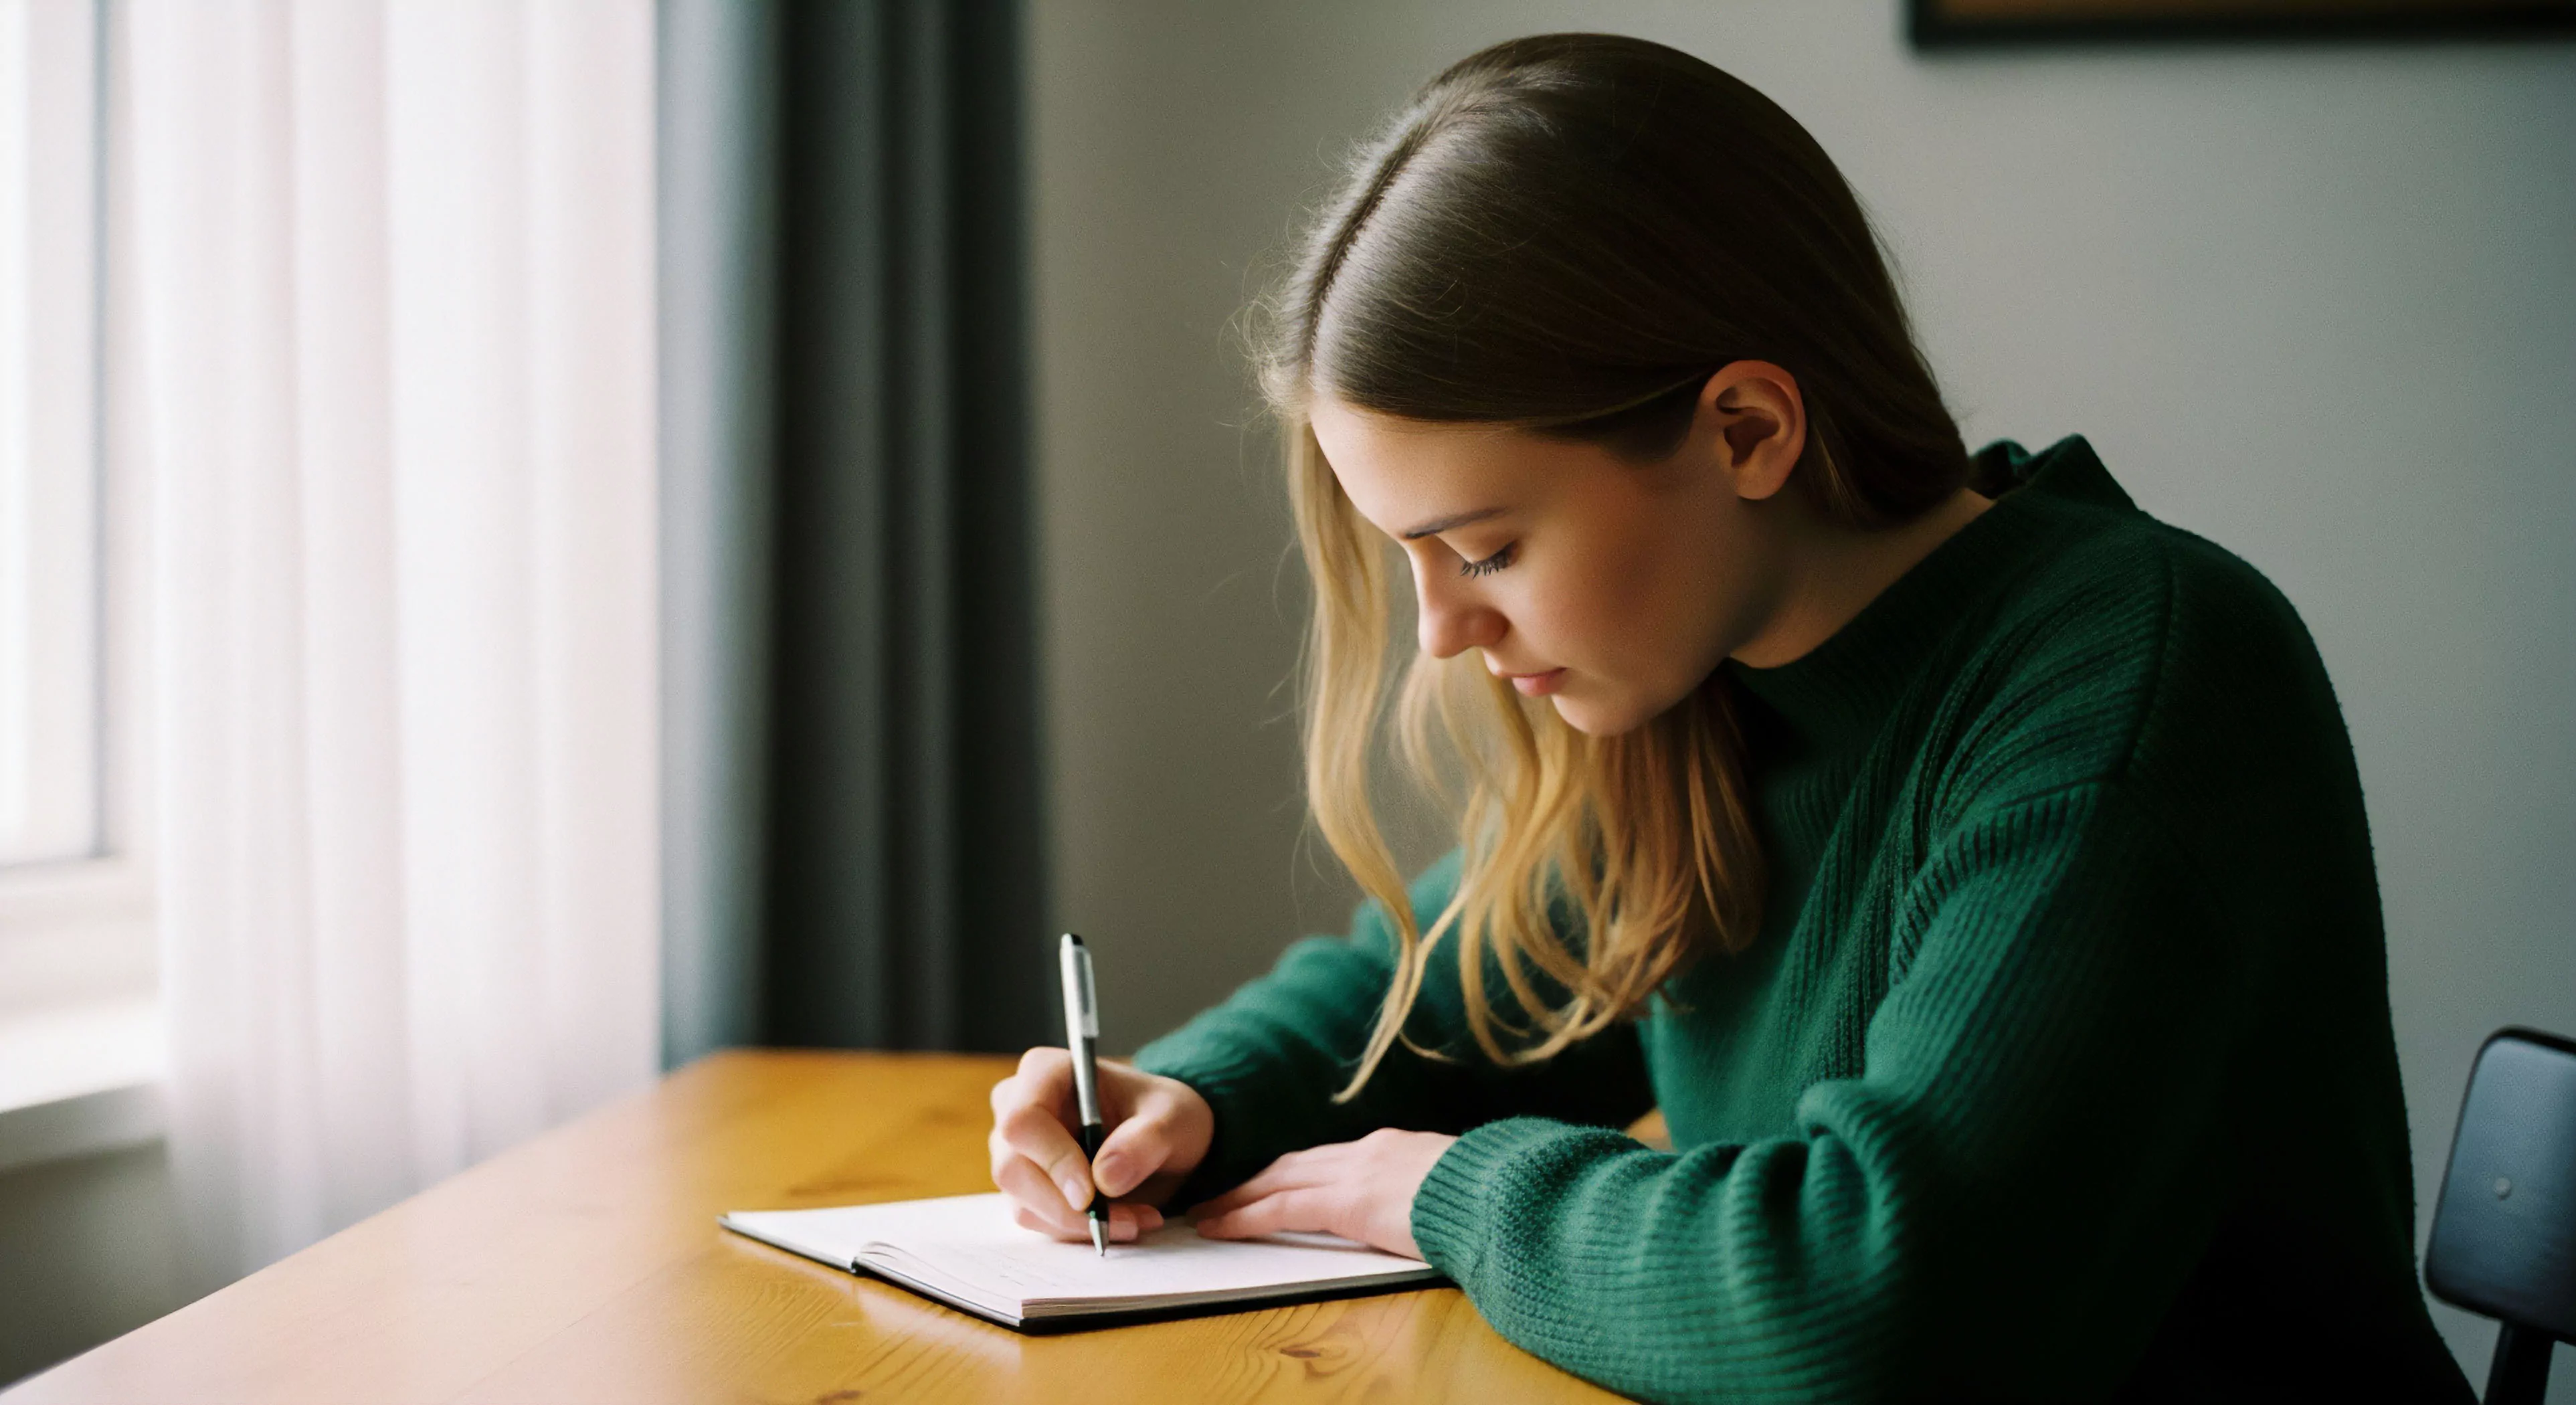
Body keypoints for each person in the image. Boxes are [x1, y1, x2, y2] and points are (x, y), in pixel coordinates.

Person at [988, 32, 2472, 1403]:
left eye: (1488, 550)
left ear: (1747, 431)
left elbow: (1877, 1294)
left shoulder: (2131, 681)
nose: (1441, 635)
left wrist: (1454, 1196)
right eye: (1412, 563)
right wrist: (1181, 1098)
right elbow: (1427, 996)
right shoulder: (1701, 687)